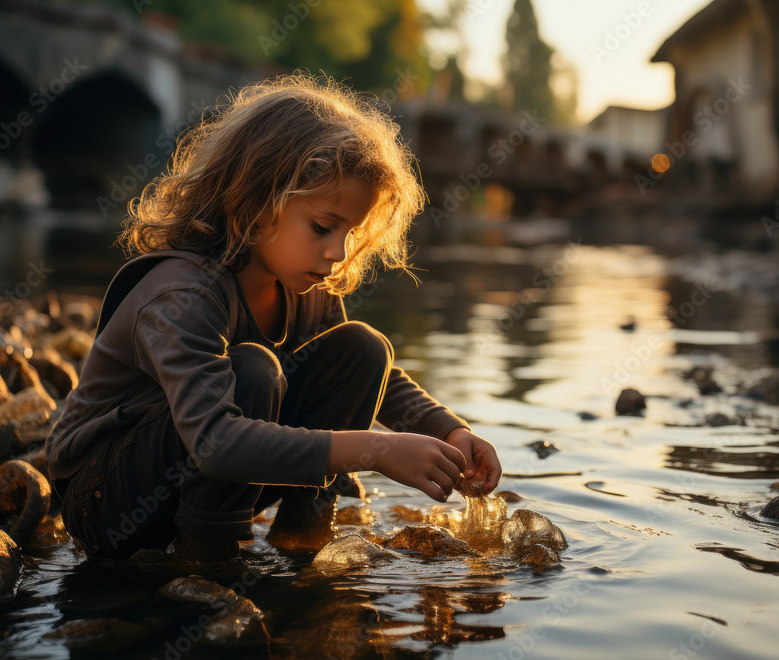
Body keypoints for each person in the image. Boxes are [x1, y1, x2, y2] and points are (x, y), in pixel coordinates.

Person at [44, 74, 502, 561]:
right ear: (256, 199)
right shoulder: (183, 292)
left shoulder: (305, 284)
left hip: (202, 470)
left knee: (363, 349)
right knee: (252, 372)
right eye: (324, 227)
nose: (338, 252)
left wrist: (450, 430)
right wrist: (378, 451)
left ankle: (303, 539)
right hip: (106, 499)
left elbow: (379, 381)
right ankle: (207, 563)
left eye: (350, 232)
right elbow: (216, 442)